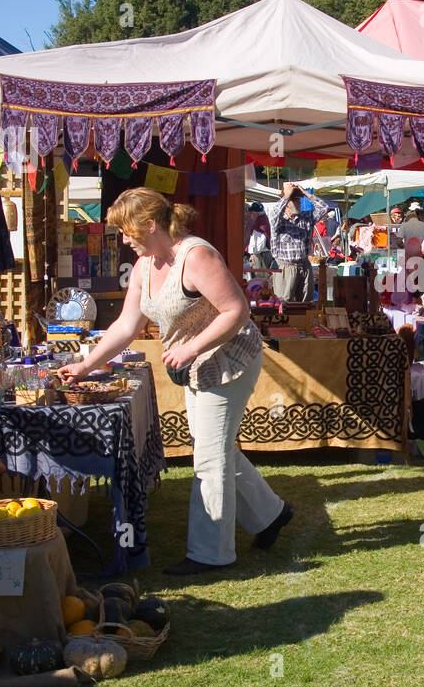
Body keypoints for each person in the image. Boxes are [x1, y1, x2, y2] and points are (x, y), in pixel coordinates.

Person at [58, 188, 293, 576]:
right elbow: (126, 327)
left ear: (151, 225)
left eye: (128, 231)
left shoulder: (197, 256)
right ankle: (272, 514)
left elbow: (237, 310)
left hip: (232, 359)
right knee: (213, 447)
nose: (125, 240)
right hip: (196, 364)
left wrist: (191, 348)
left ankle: (211, 553)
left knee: (209, 456)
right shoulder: (144, 266)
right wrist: (85, 366)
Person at [266, 181, 333, 302]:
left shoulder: (305, 218)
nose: (299, 202)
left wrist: (305, 193)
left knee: (307, 303)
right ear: (286, 203)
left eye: (299, 200)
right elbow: (273, 214)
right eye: (295, 200)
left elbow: (324, 207)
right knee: (284, 302)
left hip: (304, 266)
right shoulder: (279, 220)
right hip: (285, 268)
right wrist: (286, 195)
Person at [245, 202, 273, 273]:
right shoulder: (263, 220)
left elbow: (262, 239)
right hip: (263, 252)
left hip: (260, 254)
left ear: (256, 213)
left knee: (259, 278)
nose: (250, 214)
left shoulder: (259, 222)